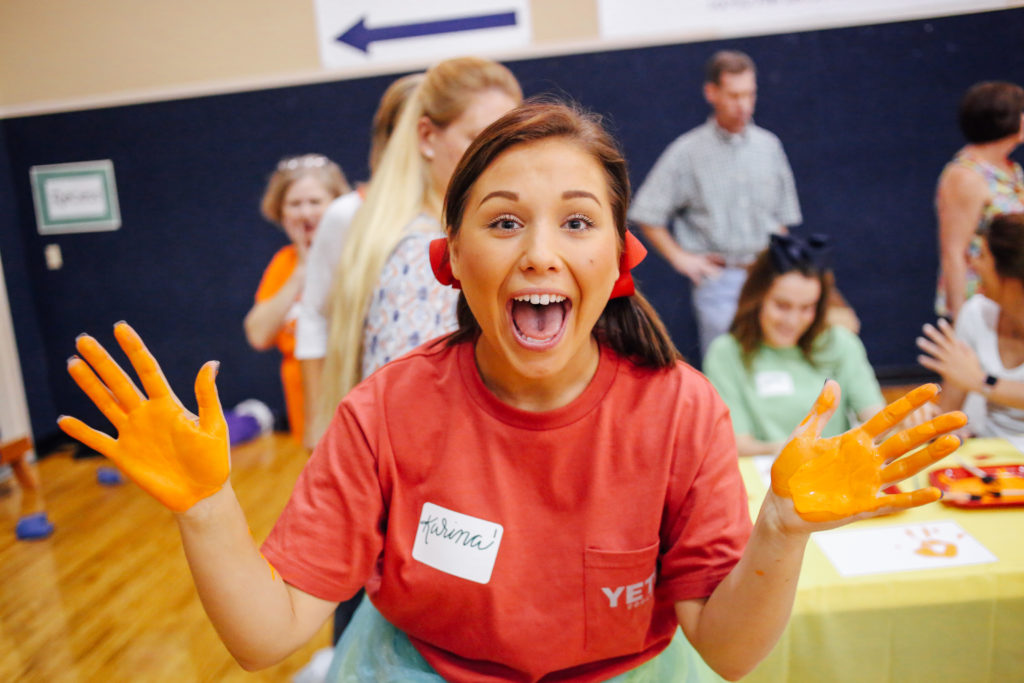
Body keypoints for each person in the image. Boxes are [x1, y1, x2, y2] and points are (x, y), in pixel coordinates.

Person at [57, 101, 965, 683]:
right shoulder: (386, 411)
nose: (539, 251)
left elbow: (726, 652)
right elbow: (268, 637)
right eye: (503, 222)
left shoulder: (679, 407)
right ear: (451, 261)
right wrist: (208, 507)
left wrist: (782, 528)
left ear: (619, 259)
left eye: (577, 221)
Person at [316, 56, 521, 435]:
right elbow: (411, 419)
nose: (499, 158)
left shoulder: (444, 235)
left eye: (510, 141)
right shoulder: (423, 256)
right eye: (480, 139)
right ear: (427, 137)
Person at [629, 50, 801, 355]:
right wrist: (681, 258)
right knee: (727, 363)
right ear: (712, 93)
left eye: (749, 94)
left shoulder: (769, 146)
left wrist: (777, 264)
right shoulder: (688, 152)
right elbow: (647, 211)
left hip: (767, 275)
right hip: (720, 281)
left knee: (777, 361)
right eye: (734, 95)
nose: (743, 105)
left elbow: (783, 215)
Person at [294, 72, 425, 450]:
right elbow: (315, 315)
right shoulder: (348, 214)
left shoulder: (471, 211)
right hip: (377, 411)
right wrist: (318, 421)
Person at [703, 234, 886, 457]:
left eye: (806, 308)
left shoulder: (839, 343)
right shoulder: (726, 353)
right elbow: (738, 446)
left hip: (833, 478)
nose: (792, 321)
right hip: (762, 483)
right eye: (782, 306)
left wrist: (903, 421)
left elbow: (876, 420)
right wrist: (797, 451)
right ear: (757, 299)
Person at [243, 154, 347, 442]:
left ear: (337, 205)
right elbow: (259, 335)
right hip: (304, 408)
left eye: (315, 202)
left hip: (350, 393)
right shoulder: (284, 262)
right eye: (295, 204)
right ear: (281, 211)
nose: (305, 213)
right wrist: (302, 269)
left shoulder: (355, 255)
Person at [919, 212, 1024, 441]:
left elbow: (974, 379)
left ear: (1012, 273)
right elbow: (947, 413)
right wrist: (925, 420)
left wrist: (983, 382)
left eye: (983, 256)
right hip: (991, 459)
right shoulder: (975, 313)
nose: (973, 263)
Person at [935, 81, 1024, 320]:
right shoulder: (965, 176)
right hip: (982, 303)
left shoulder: (1010, 170)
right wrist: (961, 321)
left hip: (1012, 299)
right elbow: (954, 252)